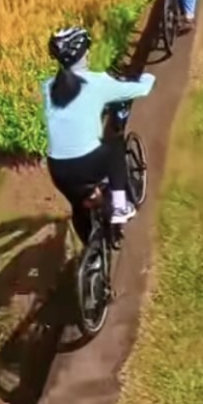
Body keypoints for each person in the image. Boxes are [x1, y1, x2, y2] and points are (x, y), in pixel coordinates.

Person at [42, 27, 156, 243]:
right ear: (84, 53)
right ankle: (120, 207)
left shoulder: (48, 87)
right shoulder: (98, 83)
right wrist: (147, 78)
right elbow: (140, 90)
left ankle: (91, 253)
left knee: (78, 205)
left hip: (57, 169)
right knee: (114, 151)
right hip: (86, 163)